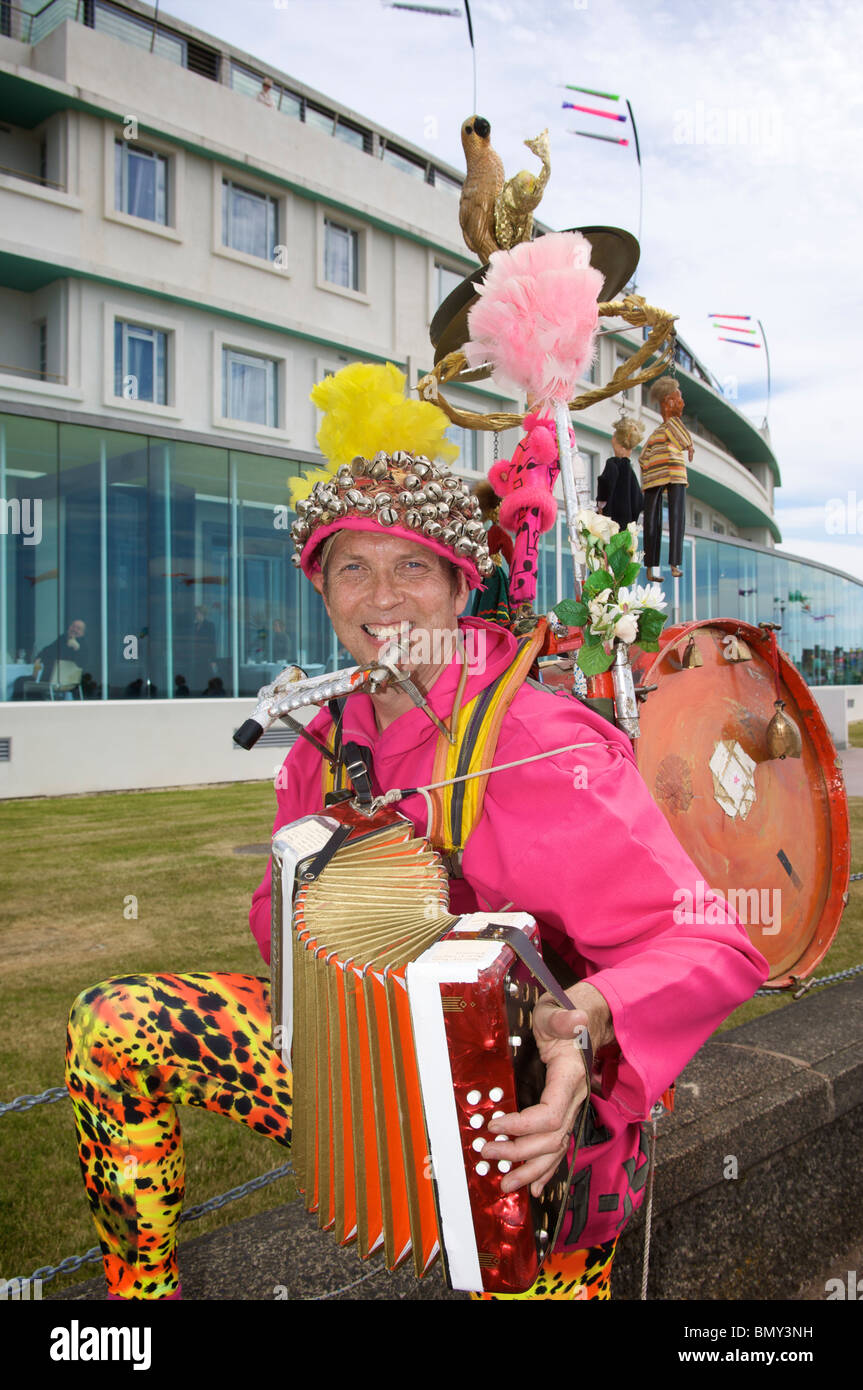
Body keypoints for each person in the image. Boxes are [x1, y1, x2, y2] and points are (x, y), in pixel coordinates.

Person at [64, 369, 768, 1303]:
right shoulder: (326, 737)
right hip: (369, 1083)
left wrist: (580, 1027)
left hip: (529, 1119)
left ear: (456, 586)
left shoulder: (535, 741)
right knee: (116, 1030)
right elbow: (279, 927)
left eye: (411, 569)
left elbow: (711, 941)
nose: (381, 597)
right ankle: (138, 1310)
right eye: (353, 567)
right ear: (321, 589)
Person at [639, 376, 693, 581]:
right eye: (679, 399)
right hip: (663, 475)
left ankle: (659, 566)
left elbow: (644, 457)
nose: (682, 404)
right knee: (664, 519)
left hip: (661, 475)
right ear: (668, 402)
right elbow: (683, 438)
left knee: (660, 520)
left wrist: (647, 471)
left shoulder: (658, 432)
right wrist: (689, 446)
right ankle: (666, 565)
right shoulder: (670, 427)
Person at [596, 418, 644, 531]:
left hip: (610, 523)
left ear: (619, 443)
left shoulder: (612, 463)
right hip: (627, 528)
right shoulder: (631, 473)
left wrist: (600, 508)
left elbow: (605, 483)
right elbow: (639, 502)